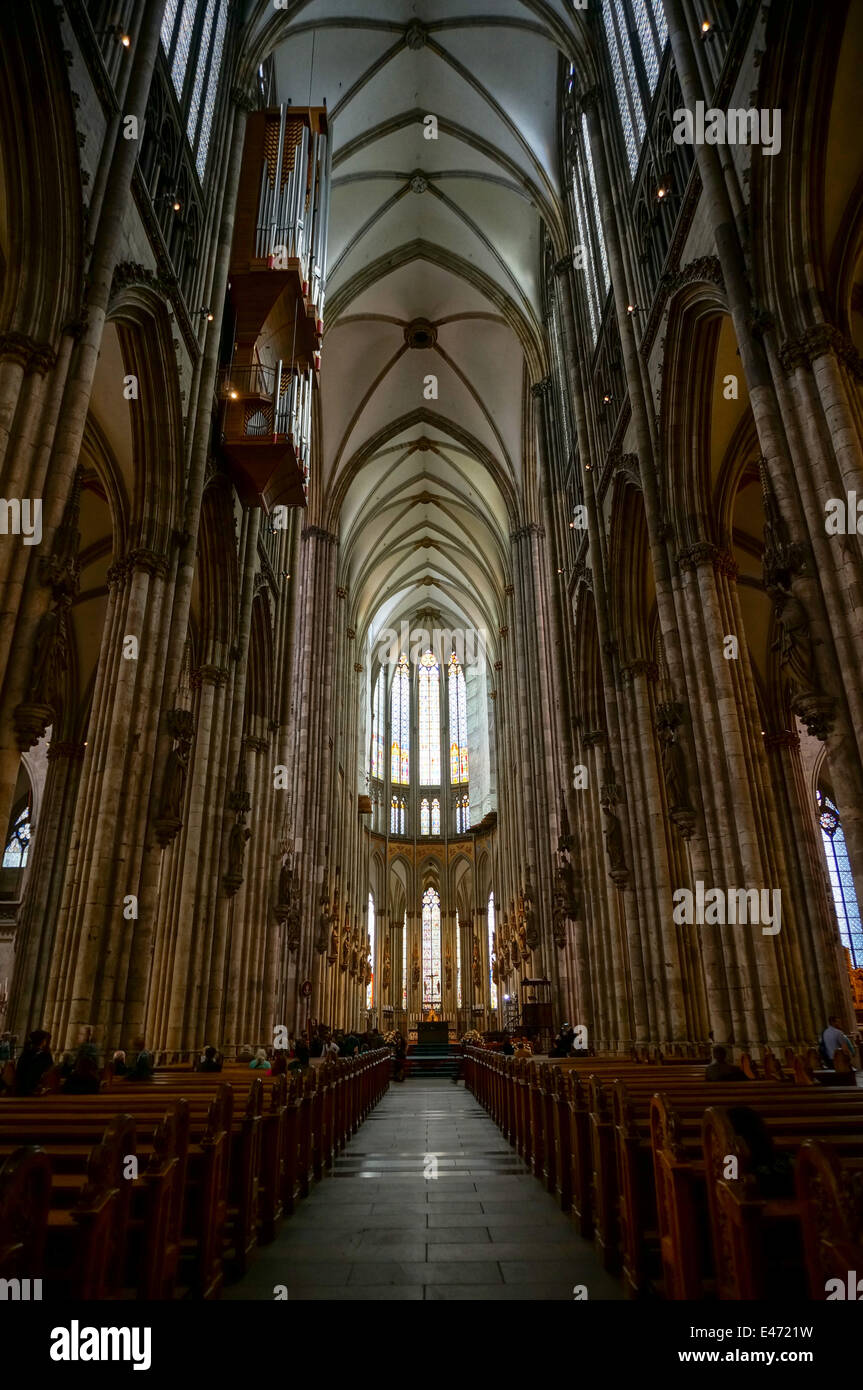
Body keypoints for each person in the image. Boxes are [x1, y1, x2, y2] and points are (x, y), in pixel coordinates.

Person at [13, 1029, 53, 1095]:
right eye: (45, 1039)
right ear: (42, 1041)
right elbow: (47, 1067)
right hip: (28, 1087)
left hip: (26, 1086)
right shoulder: (39, 1054)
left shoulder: (28, 1052)